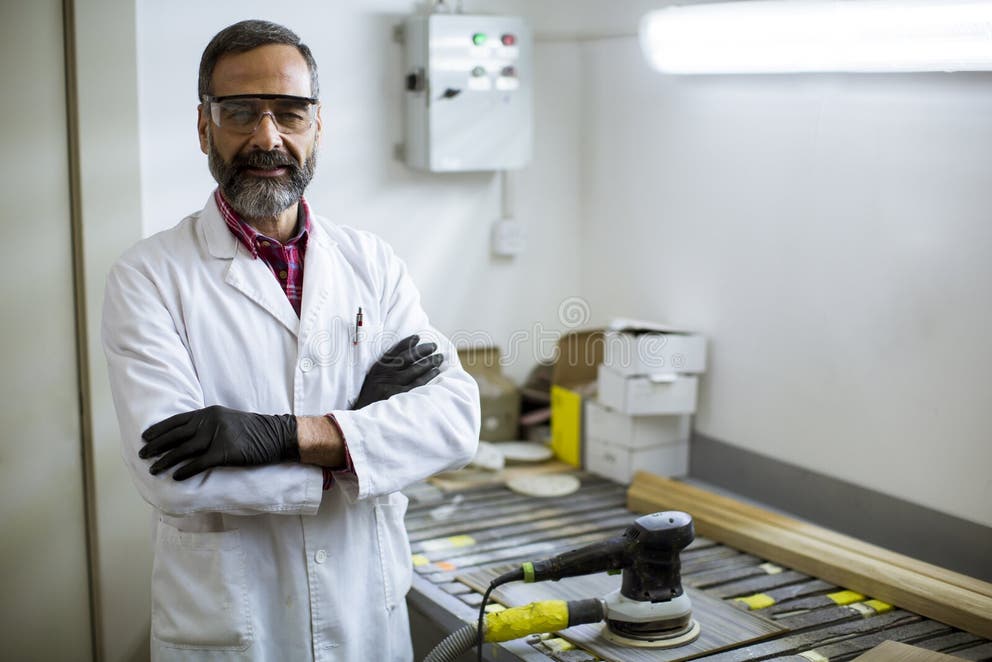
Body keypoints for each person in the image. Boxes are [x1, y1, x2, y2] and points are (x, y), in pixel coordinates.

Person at [101, 19, 480, 661]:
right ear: (204, 127)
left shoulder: (372, 264)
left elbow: (454, 422)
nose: (267, 137)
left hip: (365, 618)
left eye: (290, 112)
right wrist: (358, 435)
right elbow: (170, 476)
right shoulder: (148, 277)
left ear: (317, 125)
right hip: (234, 632)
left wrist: (281, 436)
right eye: (240, 112)